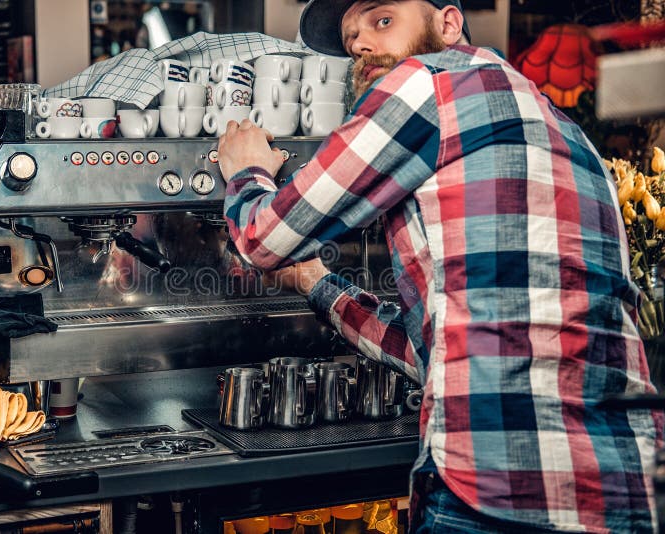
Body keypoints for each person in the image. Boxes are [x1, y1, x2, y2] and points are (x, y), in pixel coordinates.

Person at [216, 0, 663, 532]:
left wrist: (245, 169)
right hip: (625, 487)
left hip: (497, 492)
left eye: (382, 20)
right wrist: (320, 286)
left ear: (449, 25)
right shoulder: (570, 135)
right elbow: (436, 350)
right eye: (353, 36)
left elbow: (262, 238)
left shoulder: (426, 84)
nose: (360, 44)